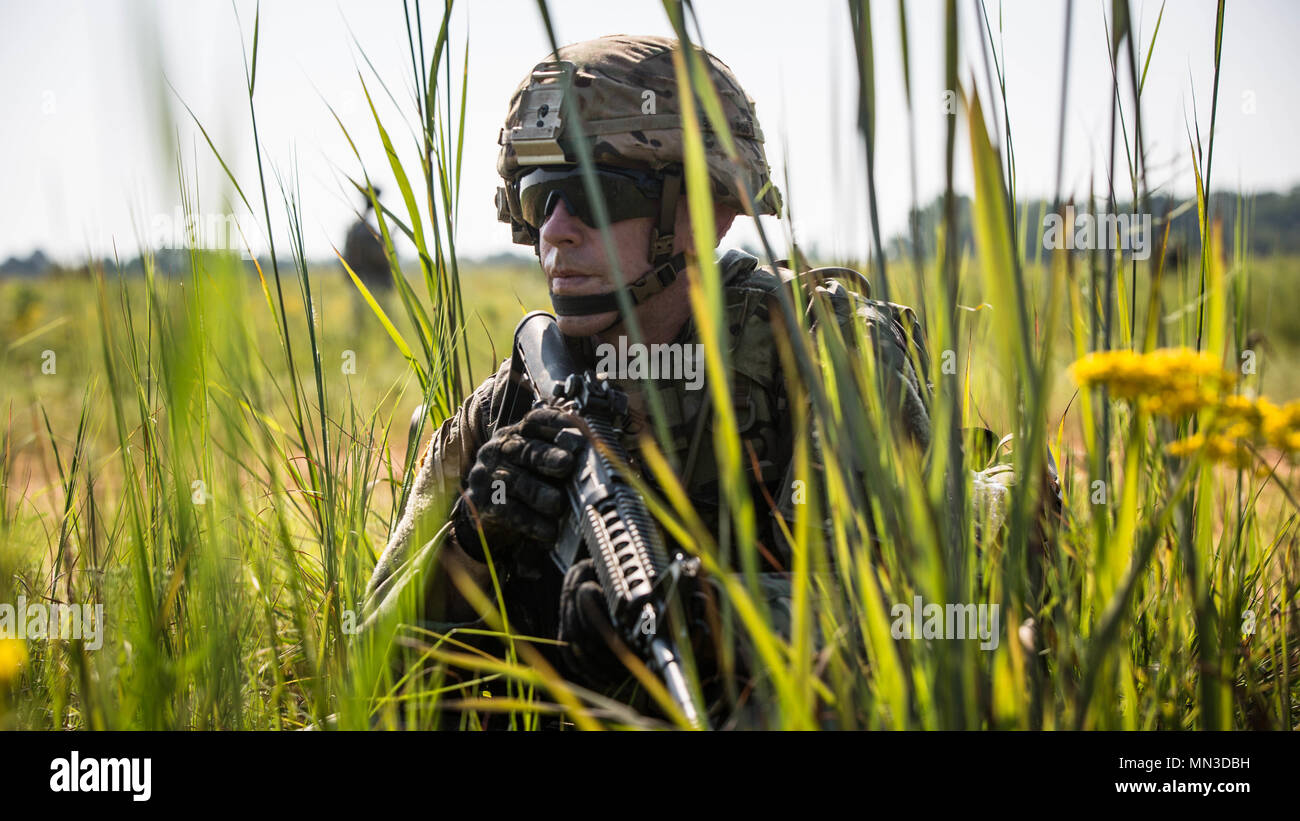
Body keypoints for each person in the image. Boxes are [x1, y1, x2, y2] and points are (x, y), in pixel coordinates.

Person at [363, 34, 933, 726]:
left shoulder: (826, 355)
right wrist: (472, 545)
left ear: (704, 211)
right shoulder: (511, 403)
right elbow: (367, 673)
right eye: (540, 196)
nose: (557, 231)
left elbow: (906, 617)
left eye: (594, 195)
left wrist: (708, 617)